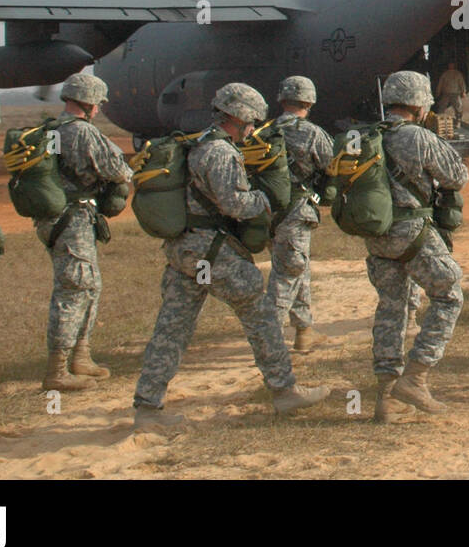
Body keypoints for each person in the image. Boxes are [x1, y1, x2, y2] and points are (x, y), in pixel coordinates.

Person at [132, 83, 329, 433]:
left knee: (171, 329)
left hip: (185, 251)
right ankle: (284, 390)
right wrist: (268, 199)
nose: (252, 129)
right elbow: (234, 204)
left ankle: (147, 409)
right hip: (210, 253)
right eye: (251, 122)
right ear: (237, 118)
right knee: (260, 309)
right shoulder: (221, 153)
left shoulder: (197, 142)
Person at [365, 71, 469, 423]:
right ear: (419, 104)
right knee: (449, 293)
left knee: (392, 307)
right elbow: (457, 176)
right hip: (412, 231)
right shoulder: (419, 137)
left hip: (376, 235)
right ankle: (416, 377)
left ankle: (385, 397)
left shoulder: (366, 135)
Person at [36, 72, 133, 392]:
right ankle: (57, 370)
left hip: (55, 219)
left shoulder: (51, 130)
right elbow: (116, 170)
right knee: (75, 289)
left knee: (88, 285)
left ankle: (81, 356)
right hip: (73, 218)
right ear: (91, 104)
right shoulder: (82, 133)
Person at [264, 76, 334, 353]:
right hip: (296, 212)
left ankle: (304, 330)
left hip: (267, 212)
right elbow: (332, 165)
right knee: (287, 274)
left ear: (282, 100)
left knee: (295, 267)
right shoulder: (313, 133)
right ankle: (268, 342)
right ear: (309, 102)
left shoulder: (263, 132)